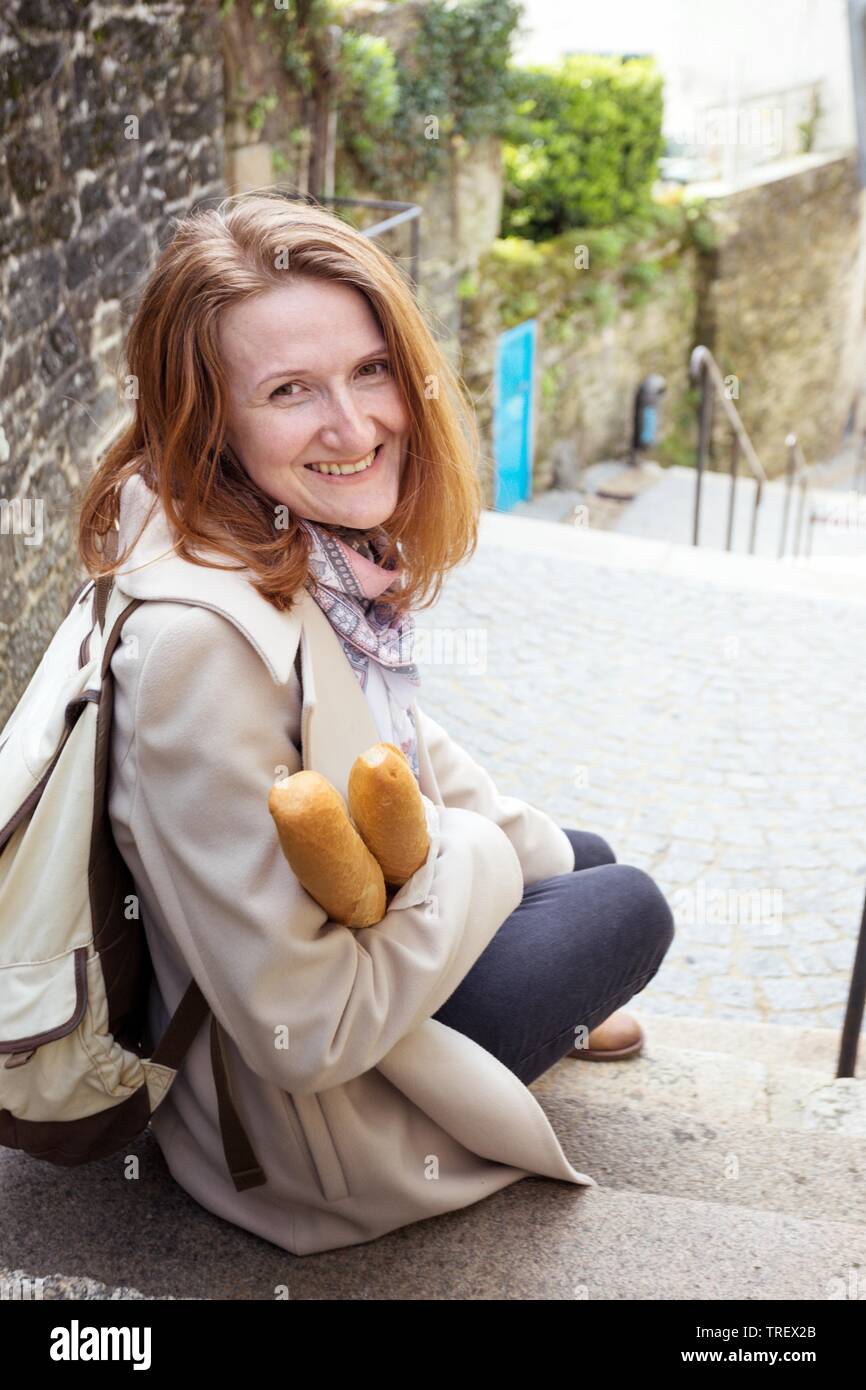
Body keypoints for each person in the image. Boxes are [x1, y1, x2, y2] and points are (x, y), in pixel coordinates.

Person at [76, 190, 675, 1258]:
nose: (352, 428)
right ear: (206, 419)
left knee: (579, 854)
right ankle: (552, 1017)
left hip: (361, 950)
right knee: (628, 905)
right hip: (309, 1131)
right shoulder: (198, 654)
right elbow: (298, 1032)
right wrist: (484, 856)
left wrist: (518, 846)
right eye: (289, 390)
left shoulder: (274, 545)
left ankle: (560, 997)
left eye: (367, 370)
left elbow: (376, 745)